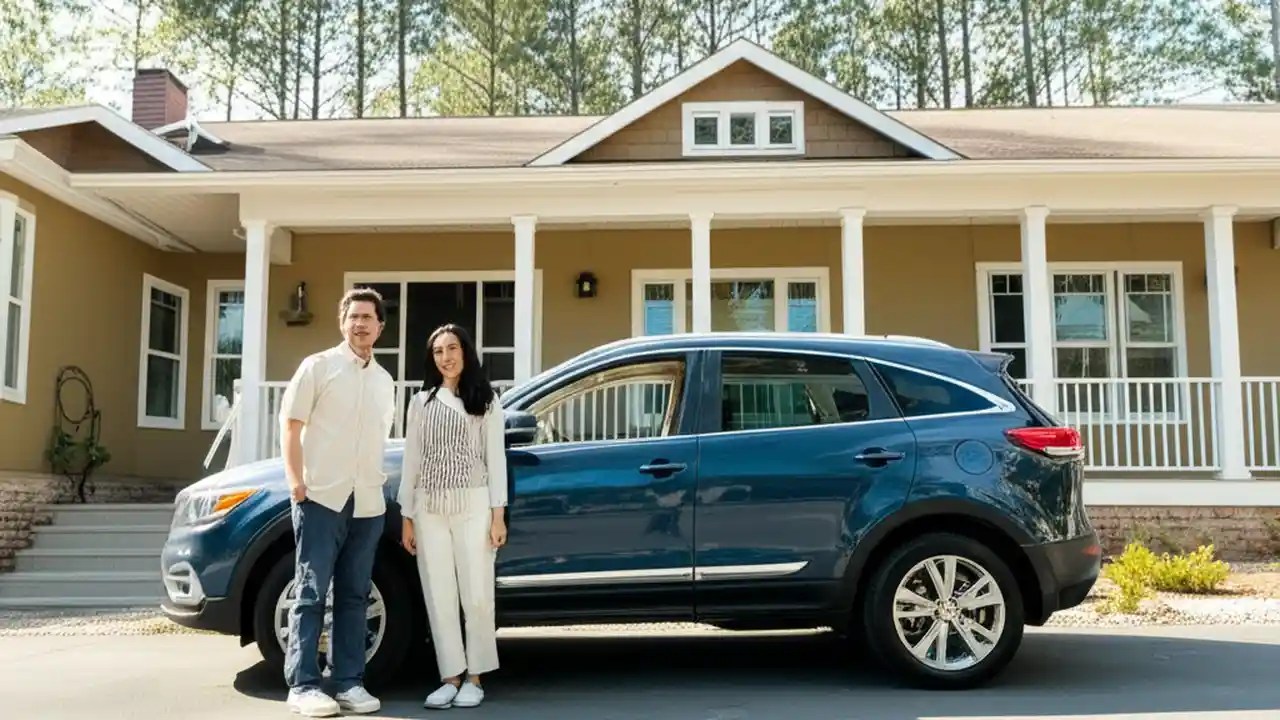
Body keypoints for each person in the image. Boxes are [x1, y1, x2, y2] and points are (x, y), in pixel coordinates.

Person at [278, 288, 396, 718]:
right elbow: (290, 426)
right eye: (354, 316)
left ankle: (348, 681)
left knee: (354, 595)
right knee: (310, 592)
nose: (361, 324)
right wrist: (296, 484)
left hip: (367, 502)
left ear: (380, 327)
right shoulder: (319, 367)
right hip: (321, 497)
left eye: (368, 317)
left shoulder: (385, 382)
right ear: (342, 322)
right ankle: (303, 684)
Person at [397, 323, 508, 709]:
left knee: (476, 595)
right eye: (439, 350)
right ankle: (449, 676)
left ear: (466, 352)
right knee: (439, 593)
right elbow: (412, 460)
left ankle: (475, 677)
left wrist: (498, 516)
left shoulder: (486, 399)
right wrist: (407, 515)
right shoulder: (420, 401)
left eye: (453, 348)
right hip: (429, 508)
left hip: (474, 505)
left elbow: (496, 460)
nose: (446, 357)